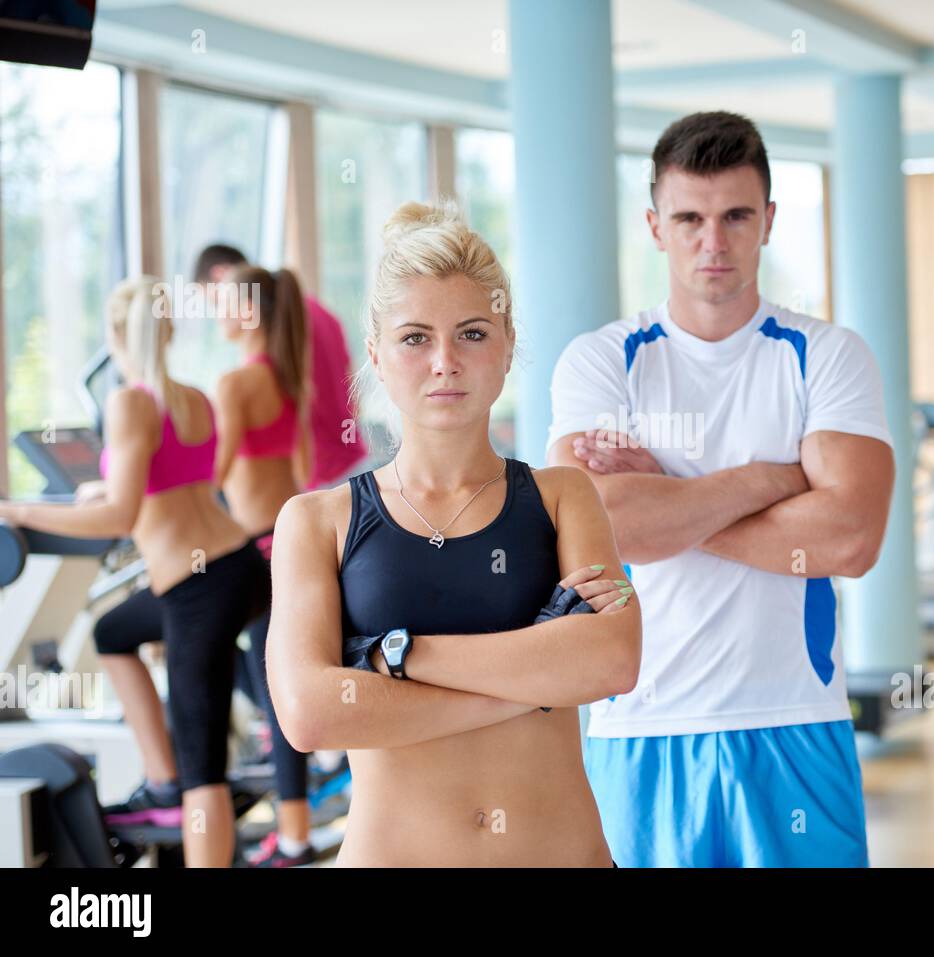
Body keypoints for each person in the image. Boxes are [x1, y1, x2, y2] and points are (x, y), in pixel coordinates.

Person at [546, 111, 894, 867]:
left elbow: (852, 538)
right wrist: (776, 479)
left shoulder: (826, 356)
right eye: (690, 218)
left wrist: (664, 501)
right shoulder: (601, 361)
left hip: (796, 722)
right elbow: (592, 530)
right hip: (640, 728)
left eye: (737, 215)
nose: (714, 241)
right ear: (654, 225)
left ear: (768, 220)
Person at [266, 199, 641, 867]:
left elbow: (611, 662)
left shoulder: (564, 496)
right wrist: (535, 675)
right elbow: (310, 713)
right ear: (377, 355)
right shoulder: (317, 522)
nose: (445, 360)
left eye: (471, 332)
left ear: (507, 345)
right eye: (415, 337)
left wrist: (399, 656)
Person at [0, 278, 270, 867]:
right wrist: (105, 484)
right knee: (113, 632)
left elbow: (119, 515)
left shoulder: (128, 401)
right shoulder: (193, 397)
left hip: (198, 592)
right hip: (239, 565)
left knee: (208, 773)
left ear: (116, 336)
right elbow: (172, 481)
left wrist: (15, 509)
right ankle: (161, 780)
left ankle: (183, 790)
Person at [211, 264, 314, 866]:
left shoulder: (235, 384)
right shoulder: (286, 377)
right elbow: (296, 471)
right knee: (279, 686)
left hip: (258, 548)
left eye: (224, 302)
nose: (217, 312)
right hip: (289, 540)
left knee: (273, 692)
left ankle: (295, 836)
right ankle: (297, 828)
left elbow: (214, 475)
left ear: (247, 311)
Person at [194, 244, 367, 489]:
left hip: (320, 477)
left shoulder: (259, 363)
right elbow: (354, 394)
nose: (217, 314)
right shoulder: (314, 312)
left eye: (216, 301)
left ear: (219, 275)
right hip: (352, 462)